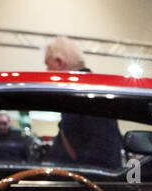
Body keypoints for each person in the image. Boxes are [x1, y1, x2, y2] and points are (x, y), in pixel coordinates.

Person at [43, 37, 121, 169]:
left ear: (59, 62)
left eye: (47, 64)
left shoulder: (76, 95)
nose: (46, 70)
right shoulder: (96, 90)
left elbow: (84, 156)